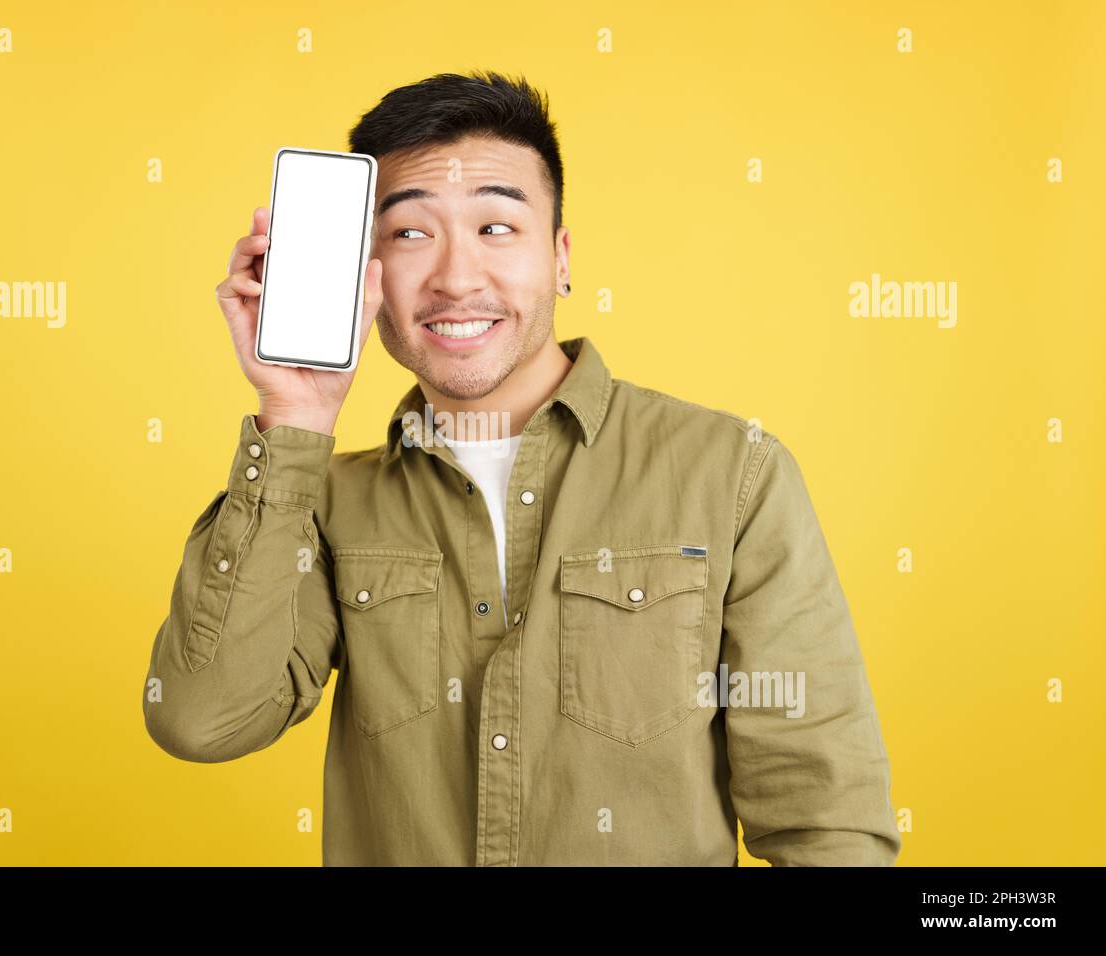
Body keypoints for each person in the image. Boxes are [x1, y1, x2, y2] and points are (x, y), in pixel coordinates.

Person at [142, 70, 901, 867]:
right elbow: (200, 719)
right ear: (364, 280)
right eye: (408, 234)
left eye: (496, 228)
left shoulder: (732, 475)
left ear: (561, 257)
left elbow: (828, 825)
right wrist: (293, 418)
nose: (456, 278)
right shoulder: (324, 504)